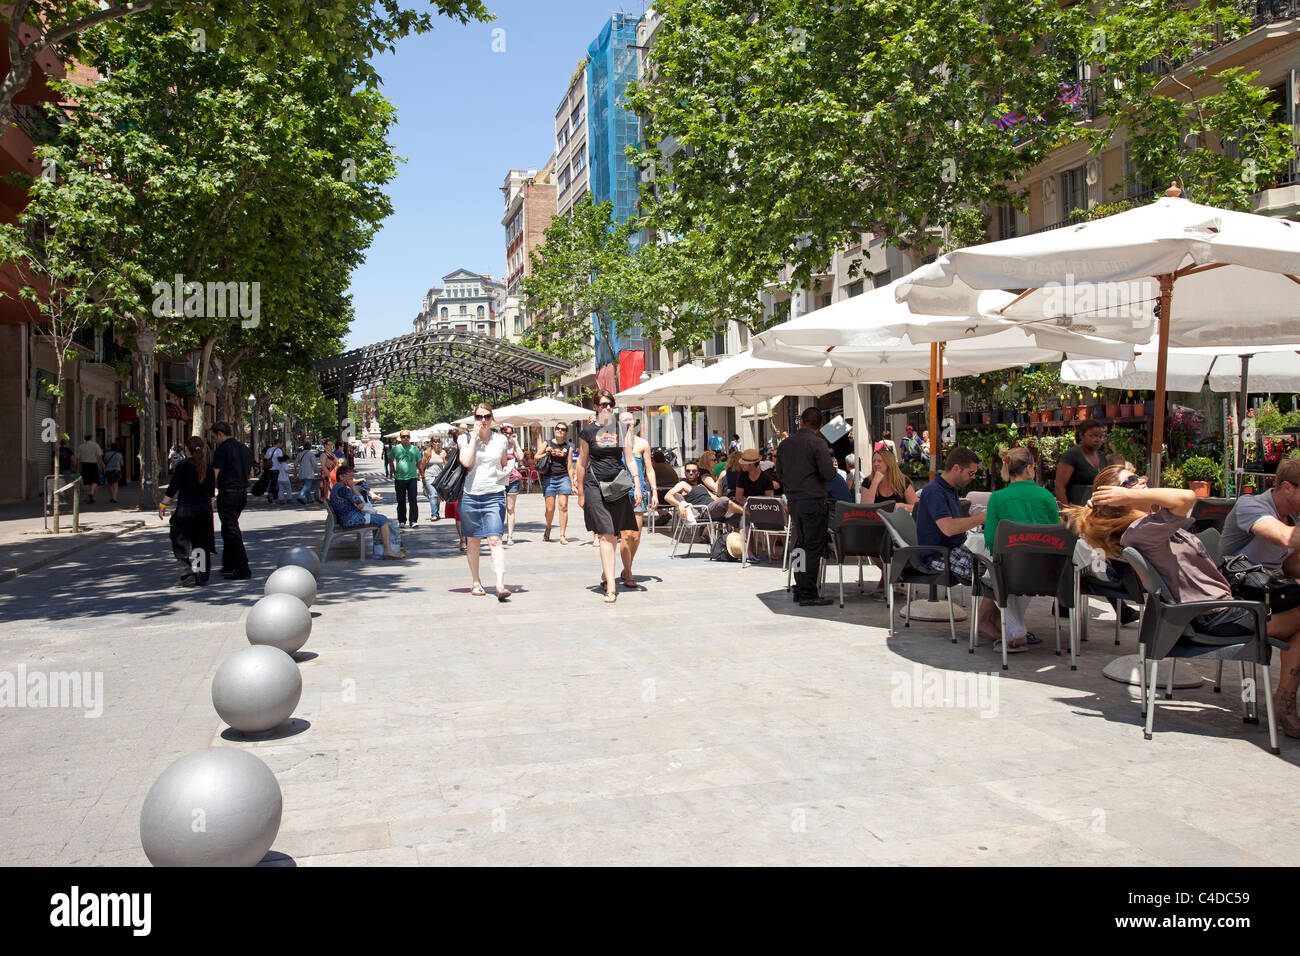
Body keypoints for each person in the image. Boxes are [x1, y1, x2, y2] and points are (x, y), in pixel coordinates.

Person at [1072, 463, 1300, 737]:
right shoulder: (1142, 531)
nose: (1143, 480)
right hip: (1216, 616)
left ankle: (1285, 699)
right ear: (1119, 496)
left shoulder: (1150, 525)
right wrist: (1131, 497)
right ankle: (1285, 701)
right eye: (1132, 480)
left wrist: (1129, 495)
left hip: (1223, 608)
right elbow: (1187, 497)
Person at [973, 447, 1062, 652]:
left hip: (1011, 569)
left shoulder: (998, 498)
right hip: (1047, 571)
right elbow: (1056, 532)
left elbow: (991, 539)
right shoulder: (1046, 496)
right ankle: (1014, 630)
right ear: (1029, 468)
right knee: (1014, 576)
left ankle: (1017, 632)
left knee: (993, 575)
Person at [578, 390, 641, 603]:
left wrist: (638, 485)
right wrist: (579, 491)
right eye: (603, 404)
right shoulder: (587, 431)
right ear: (596, 406)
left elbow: (630, 458)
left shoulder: (620, 429)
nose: (607, 408)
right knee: (605, 532)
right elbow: (581, 461)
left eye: (610, 405)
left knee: (614, 533)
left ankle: (606, 573)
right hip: (594, 484)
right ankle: (612, 586)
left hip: (616, 486)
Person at [774, 407, 837, 607]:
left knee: (800, 544)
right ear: (819, 426)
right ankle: (808, 591)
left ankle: (800, 587)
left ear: (801, 421)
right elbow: (828, 473)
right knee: (813, 546)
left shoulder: (785, 444)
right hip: (813, 500)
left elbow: (779, 473)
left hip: (794, 501)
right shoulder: (817, 443)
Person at [458, 403, 511, 600]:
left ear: (492, 418)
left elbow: (504, 464)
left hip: (494, 494)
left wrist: (504, 477)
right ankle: (476, 581)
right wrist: (473, 437)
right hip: (471, 495)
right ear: (474, 418)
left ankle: (500, 585)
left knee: (495, 539)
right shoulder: (464, 439)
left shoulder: (501, 440)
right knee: (473, 540)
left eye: (487, 416)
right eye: (479, 417)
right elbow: (466, 462)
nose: (483, 420)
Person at [1221, 457, 1300, 579]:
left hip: (1274, 588)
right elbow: (1284, 536)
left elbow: (1290, 566)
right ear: (1287, 487)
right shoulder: (1249, 506)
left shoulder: (1294, 516)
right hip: (1240, 590)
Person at [915, 446, 984, 585]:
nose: (973, 477)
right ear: (956, 468)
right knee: (988, 574)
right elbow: (949, 528)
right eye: (971, 473)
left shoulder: (949, 488)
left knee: (995, 567)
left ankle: (992, 606)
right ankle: (988, 607)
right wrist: (982, 518)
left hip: (953, 550)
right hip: (938, 555)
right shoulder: (935, 491)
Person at [159, 435, 216, 586]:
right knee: (201, 543)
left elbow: (172, 488)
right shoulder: (208, 468)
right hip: (203, 511)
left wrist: (163, 505)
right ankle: (201, 575)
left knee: (179, 540)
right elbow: (211, 494)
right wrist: (209, 512)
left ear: (186, 449)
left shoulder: (182, 466)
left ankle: (186, 572)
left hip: (185, 510)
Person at [330, 465, 402, 560]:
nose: (352, 479)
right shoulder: (342, 489)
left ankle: (381, 549)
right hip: (351, 519)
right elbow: (361, 504)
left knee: (379, 519)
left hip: (346, 517)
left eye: (353, 476)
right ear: (341, 477)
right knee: (383, 519)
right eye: (350, 477)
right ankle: (388, 550)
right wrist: (353, 487)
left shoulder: (337, 487)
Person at [210, 422, 253, 580]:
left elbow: (214, 474)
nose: (214, 440)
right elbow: (251, 473)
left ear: (220, 434)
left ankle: (242, 567)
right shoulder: (245, 449)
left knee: (232, 530)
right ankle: (228, 563)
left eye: (214, 437)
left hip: (227, 493)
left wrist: (210, 494)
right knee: (228, 528)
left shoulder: (222, 450)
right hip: (242, 494)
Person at [619, 413, 657, 589]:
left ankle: (628, 566)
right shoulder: (613, 444)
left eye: (629, 419)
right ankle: (628, 572)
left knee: (636, 535)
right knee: (625, 535)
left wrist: (654, 492)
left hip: (638, 491)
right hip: (619, 492)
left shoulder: (642, 444)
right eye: (623, 419)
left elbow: (649, 469)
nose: (627, 422)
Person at [1055, 420, 1106, 507]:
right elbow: (1059, 486)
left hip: (1098, 510)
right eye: (1093, 436)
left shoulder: (1102, 456)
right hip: (1077, 509)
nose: (1097, 440)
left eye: (1100, 437)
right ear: (1082, 435)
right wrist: (1067, 511)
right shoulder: (1072, 455)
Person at [539, 422, 576, 543]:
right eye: (558, 428)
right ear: (555, 430)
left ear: (566, 432)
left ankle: (562, 535)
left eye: (563, 429)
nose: (560, 430)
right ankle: (548, 527)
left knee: (563, 507)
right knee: (550, 509)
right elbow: (536, 457)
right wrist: (546, 451)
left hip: (563, 478)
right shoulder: (547, 443)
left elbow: (570, 467)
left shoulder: (568, 447)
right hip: (549, 478)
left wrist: (573, 483)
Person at [863, 449, 918, 513]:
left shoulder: (902, 481)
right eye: (873, 461)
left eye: (879, 461)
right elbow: (865, 508)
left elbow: (917, 507)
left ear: (889, 463)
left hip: (897, 521)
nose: (875, 464)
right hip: (875, 521)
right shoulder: (868, 482)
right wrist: (875, 482)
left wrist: (903, 507)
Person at [391, 429, 421, 529]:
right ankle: (402, 520)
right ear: (400, 438)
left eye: (407, 436)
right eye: (403, 436)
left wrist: (419, 473)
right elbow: (391, 460)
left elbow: (419, 462)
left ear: (410, 438)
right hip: (399, 478)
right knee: (401, 501)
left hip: (412, 477)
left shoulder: (415, 449)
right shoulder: (396, 449)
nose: (405, 438)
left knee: (413, 499)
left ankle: (413, 520)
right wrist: (394, 472)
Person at [500, 423, 523, 546]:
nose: (508, 435)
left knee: (510, 508)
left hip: (513, 478)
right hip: (500, 478)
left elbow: (521, 457)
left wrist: (516, 443)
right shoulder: (496, 444)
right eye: (505, 432)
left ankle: (510, 536)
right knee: (500, 507)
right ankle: (498, 533)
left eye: (510, 433)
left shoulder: (513, 444)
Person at [77, 433, 104, 504]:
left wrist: (78, 468)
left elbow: (78, 458)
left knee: (86, 481)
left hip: (84, 465)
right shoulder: (95, 445)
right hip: (93, 465)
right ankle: (91, 493)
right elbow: (99, 457)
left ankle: (88, 496)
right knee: (95, 480)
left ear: (84, 438)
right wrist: (101, 466)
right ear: (91, 438)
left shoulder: (81, 446)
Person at [421, 438, 443, 522]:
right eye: (435, 442)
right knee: (433, 494)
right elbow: (422, 466)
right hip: (429, 476)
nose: (436, 443)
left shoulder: (442, 452)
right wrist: (422, 477)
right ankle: (434, 514)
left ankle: (436, 513)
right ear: (432, 443)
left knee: (438, 496)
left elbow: (446, 464)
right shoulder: (427, 452)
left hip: (439, 477)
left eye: (438, 442)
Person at [264, 440, 285, 505]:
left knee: (273, 482)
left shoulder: (269, 450)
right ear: (278, 443)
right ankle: (273, 495)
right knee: (275, 483)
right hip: (275, 468)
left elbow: (265, 458)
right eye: (281, 443)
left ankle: (273, 496)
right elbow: (280, 460)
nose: (281, 445)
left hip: (269, 468)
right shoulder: (279, 450)